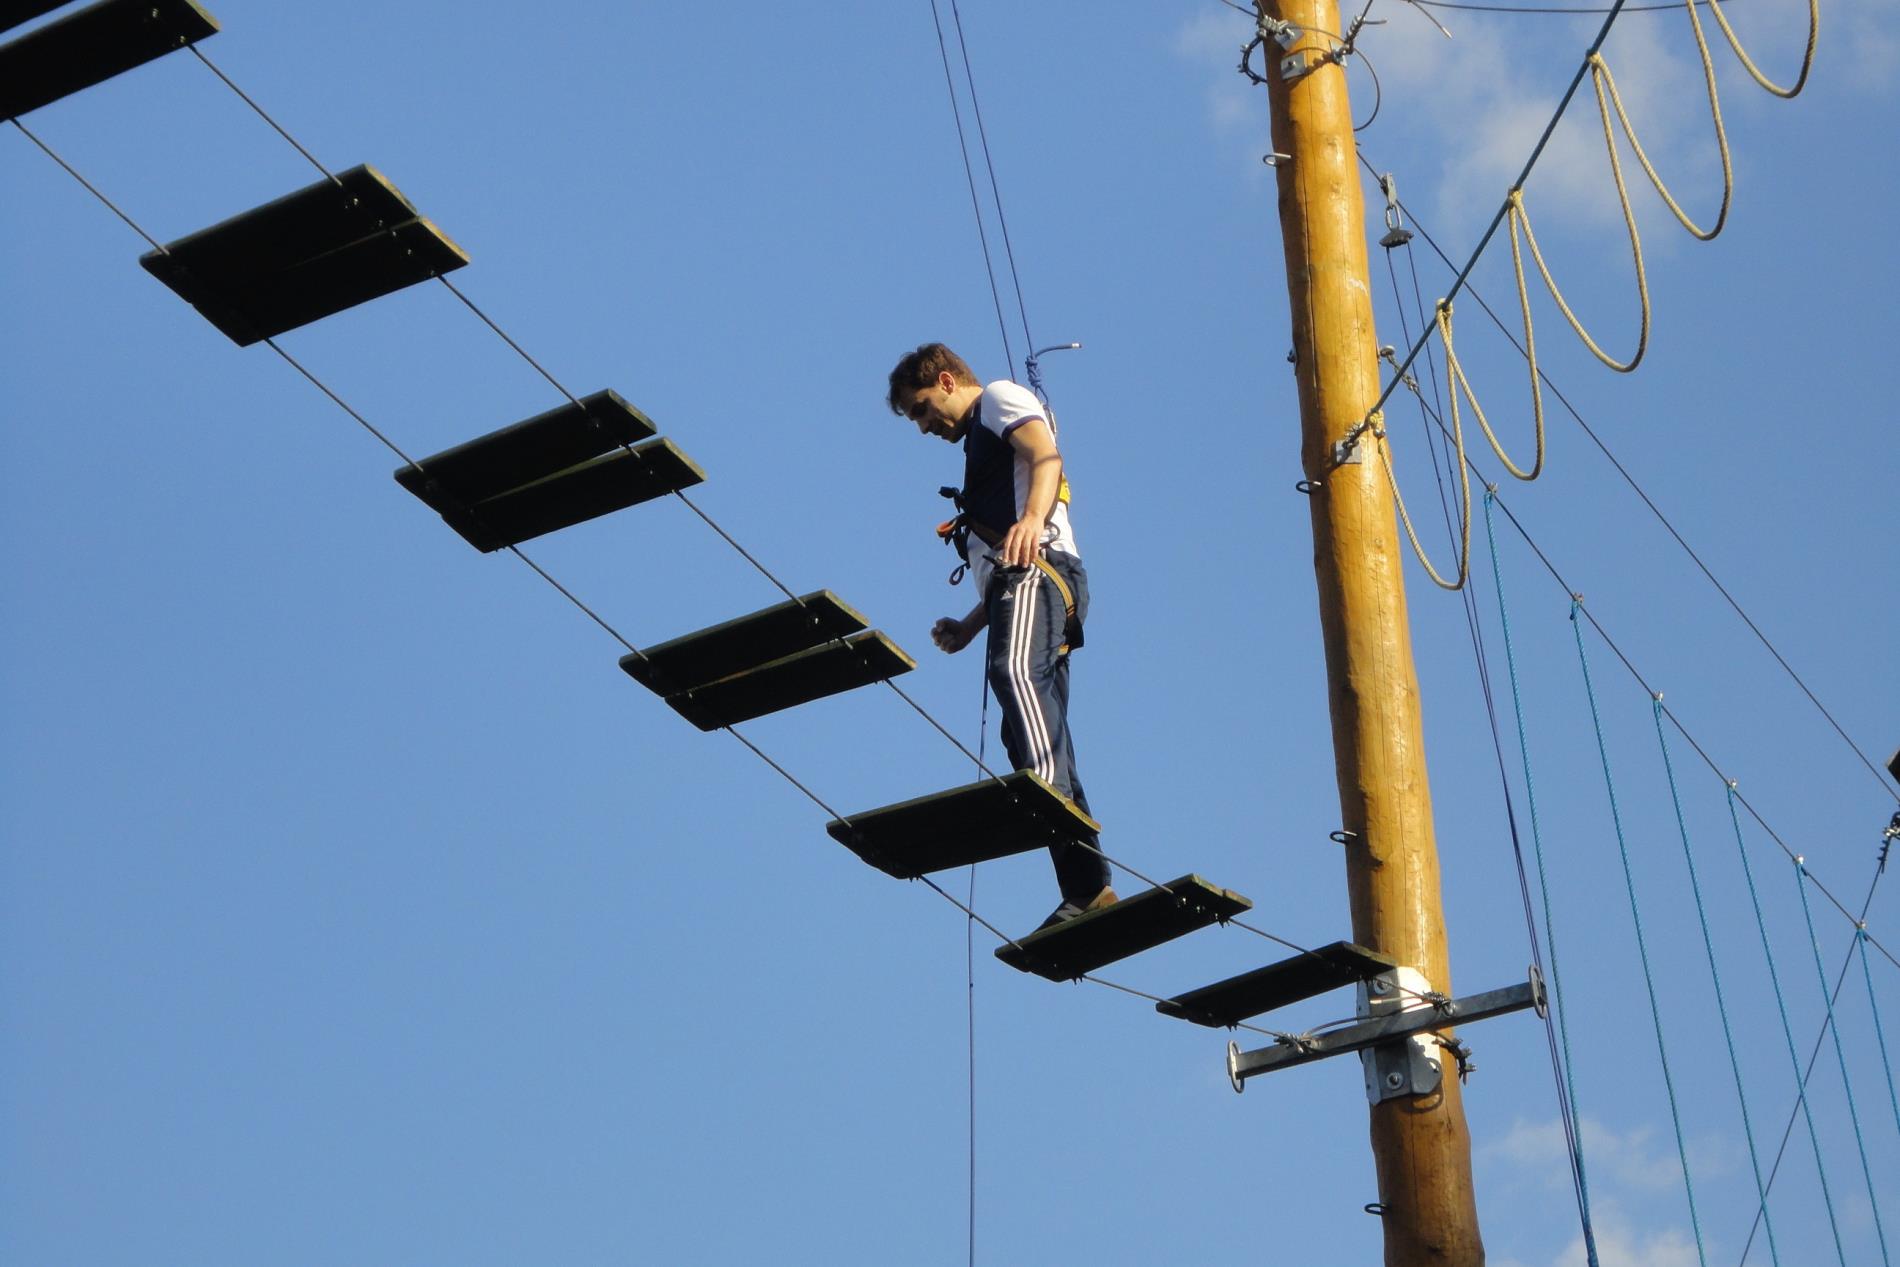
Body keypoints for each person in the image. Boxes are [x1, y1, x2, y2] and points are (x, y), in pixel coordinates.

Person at [886, 342, 1115, 930]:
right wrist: (969, 625)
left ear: (945, 381)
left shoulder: (999, 399)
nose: (923, 426)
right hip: (1025, 584)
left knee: (1013, 676)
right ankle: (1087, 887)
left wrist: (1033, 521)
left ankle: (1047, 793)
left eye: (921, 409)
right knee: (1027, 732)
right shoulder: (979, 452)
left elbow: (1045, 454)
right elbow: (1003, 557)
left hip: (1040, 573)